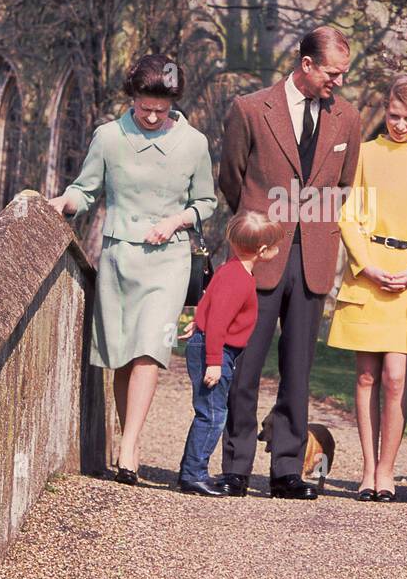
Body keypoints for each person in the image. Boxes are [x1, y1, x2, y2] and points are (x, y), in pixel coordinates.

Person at [48, 54, 216, 486]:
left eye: (162, 110)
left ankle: (128, 445)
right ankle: (130, 438)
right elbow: (85, 191)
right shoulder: (108, 137)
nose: (154, 116)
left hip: (170, 262)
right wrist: (61, 204)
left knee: (149, 350)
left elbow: (206, 203)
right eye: (146, 108)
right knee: (120, 355)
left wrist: (177, 220)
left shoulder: (194, 143)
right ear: (133, 99)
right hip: (120, 258)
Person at [217, 25, 362, 500]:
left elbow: (343, 185)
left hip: (314, 257)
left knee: (298, 371)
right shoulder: (249, 109)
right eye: (333, 73)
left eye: (343, 73)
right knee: (245, 365)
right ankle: (236, 467)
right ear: (306, 65)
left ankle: (287, 471)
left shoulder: (348, 119)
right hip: (259, 256)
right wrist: (260, 228)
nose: (338, 82)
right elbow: (232, 180)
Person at [328, 75, 407, 500]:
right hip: (369, 274)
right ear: (386, 110)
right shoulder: (365, 154)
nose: (400, 125)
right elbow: (348, 215)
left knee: (396, 378)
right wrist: (366, 266)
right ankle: (367, 471)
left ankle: (388, 471)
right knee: (366, 376)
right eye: (394, 115)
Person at [176, 212, 284, 496]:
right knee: (212, 415)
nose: (277, 250)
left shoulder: (231, 268)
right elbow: (220, 320)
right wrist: (213, 361)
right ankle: (193, 474)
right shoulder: (238, 278)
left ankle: (192, 470)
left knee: (209, 412)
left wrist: (198, 327)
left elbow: (209, 303)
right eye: (275, 246)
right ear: (262, 251)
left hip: (213, 346)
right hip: (217, 351)